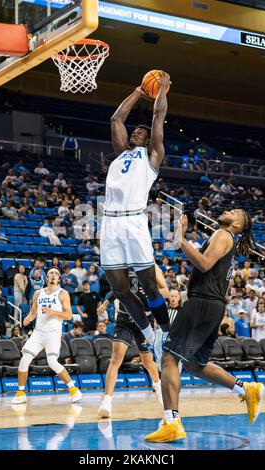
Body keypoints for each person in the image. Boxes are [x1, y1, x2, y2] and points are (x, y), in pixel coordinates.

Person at [145, 209, 264, 443]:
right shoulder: (227, 239)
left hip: (202, 303)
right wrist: (182, 233)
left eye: (234, 211)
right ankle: (245, 389)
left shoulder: (224, 233)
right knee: (194, 365)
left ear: (238, 224)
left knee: (169, 358)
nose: (228, 211)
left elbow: (204, 263)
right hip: (213, 306)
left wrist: (181, 241)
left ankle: (172, 423)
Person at [100, 72, 171, 362]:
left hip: (134, 221)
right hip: (109, 222)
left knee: (149, 286)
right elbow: (116, 120)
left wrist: (162, 89)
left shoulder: (152, 156)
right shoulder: (121, 154)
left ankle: (165, 332)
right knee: (120, 289)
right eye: (136, 131)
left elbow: (158, 116)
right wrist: (137, 91)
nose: (136, 133)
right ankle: (150, 336)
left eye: (141, 132)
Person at [97, 264, 169, 420]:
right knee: (116, 358)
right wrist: (105, 303)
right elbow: (117, 288)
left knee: (148, 362)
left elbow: (166, 292)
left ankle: (158, 388)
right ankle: (107, 402)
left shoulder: (152, 267)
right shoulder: (123, 266)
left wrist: (150, 292)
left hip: (144, 320)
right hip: (125, 317)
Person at [11, 268, 82, 405]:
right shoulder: (38, 293)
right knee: (25, 359)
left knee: (52, 362)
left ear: (59, 278)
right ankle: (20, 393)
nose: (53, 275)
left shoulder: (63, 293)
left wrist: (52, 312)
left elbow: (68, 316)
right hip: (38, 332)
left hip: (53, 333)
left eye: (56, 273)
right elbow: (33, 313)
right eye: (50, 273)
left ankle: (74, 389)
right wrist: (28, 319)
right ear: (46, 277)